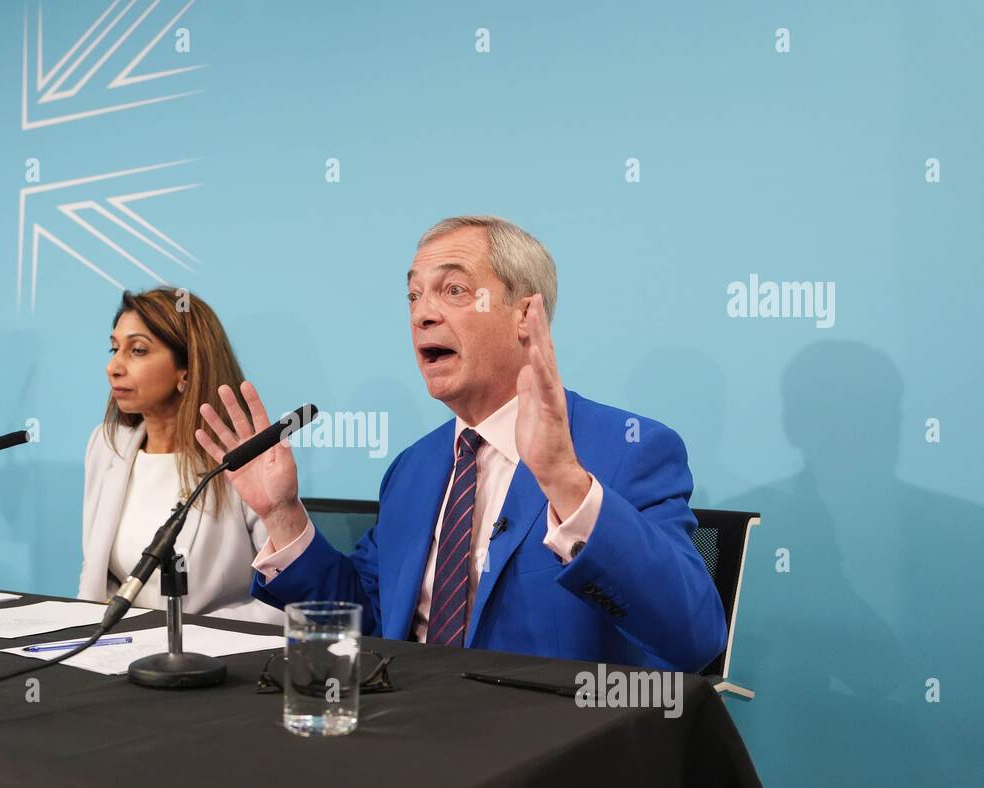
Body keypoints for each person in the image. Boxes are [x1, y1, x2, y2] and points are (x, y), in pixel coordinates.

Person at [194, 216, 726, 670]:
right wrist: (283, 514)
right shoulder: (414, 469)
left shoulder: (626, 449)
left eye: (453, 290)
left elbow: (693, 638)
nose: (423, 313)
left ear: (525, 315)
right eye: (413, 295)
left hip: (545, 761)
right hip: (408, 742)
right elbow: (366, 620)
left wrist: (566, 481)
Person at [78, 287, 282, 623]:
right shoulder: (105, 445)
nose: (113, 366)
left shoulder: (245, 456)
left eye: (138, 350)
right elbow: (96, 579)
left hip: (216, 657)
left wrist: (190, 641)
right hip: (118, 651)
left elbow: (283, 599)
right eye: (114, 348)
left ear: (186, 369)